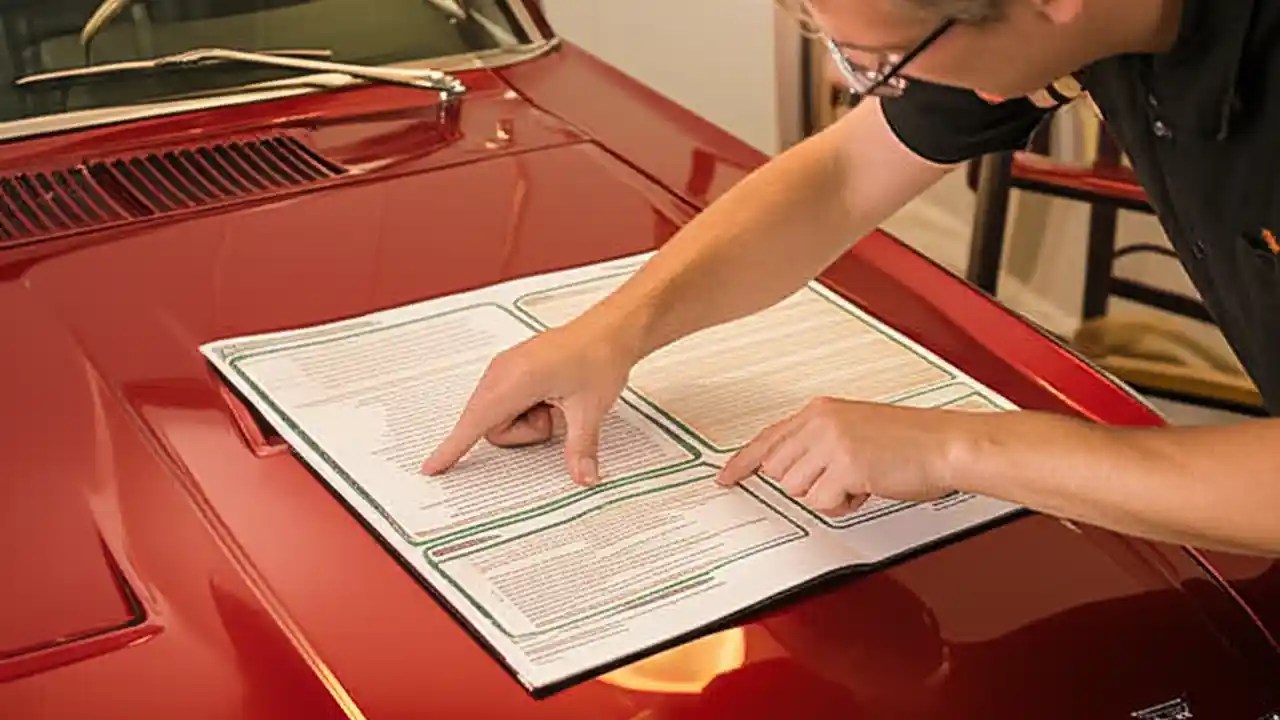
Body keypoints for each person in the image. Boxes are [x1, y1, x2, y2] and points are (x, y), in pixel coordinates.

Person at [422, 0, 1280, 557]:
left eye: (883, 59)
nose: (871, 84)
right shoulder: (1064, 23)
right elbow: (842, 175)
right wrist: (618, 328)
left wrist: (960, 445)